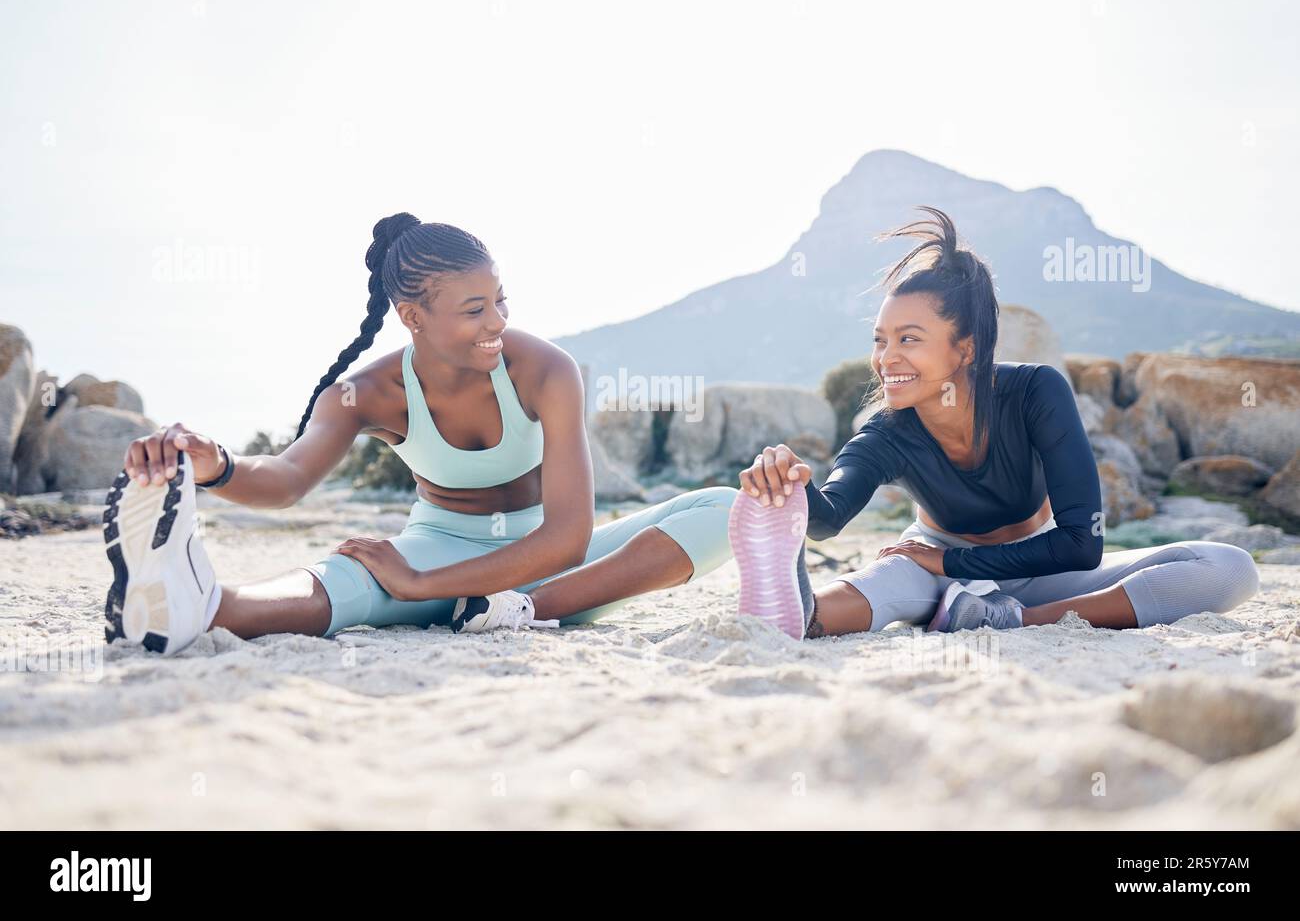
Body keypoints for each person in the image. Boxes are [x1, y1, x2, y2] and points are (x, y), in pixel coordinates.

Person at [103, 213, 737, 655]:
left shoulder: (546, 369)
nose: (497, 321)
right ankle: (198, 605)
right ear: (412, 317)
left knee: (728, 510)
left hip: (552, 565)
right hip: (442, 546)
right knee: (347, 583)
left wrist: (424, 589)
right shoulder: (366, 392)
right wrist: (216, 465)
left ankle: (511, 611)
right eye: (473, 309)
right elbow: (290, 478)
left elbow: (569, 538)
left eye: (500, 300)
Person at [728, 206, 1260, 639]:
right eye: (880, 339)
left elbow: (1082, 545)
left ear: (967, 348)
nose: (887, 357)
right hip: (928, 572)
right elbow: (828, 518)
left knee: (1230, 567)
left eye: (908, 338)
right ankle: (795, 605)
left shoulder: (1035, 393)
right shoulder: (887, 432)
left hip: (1042, 572)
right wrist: (790, 487)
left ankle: (1007, 619)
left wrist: (952, 564)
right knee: (824, 615)